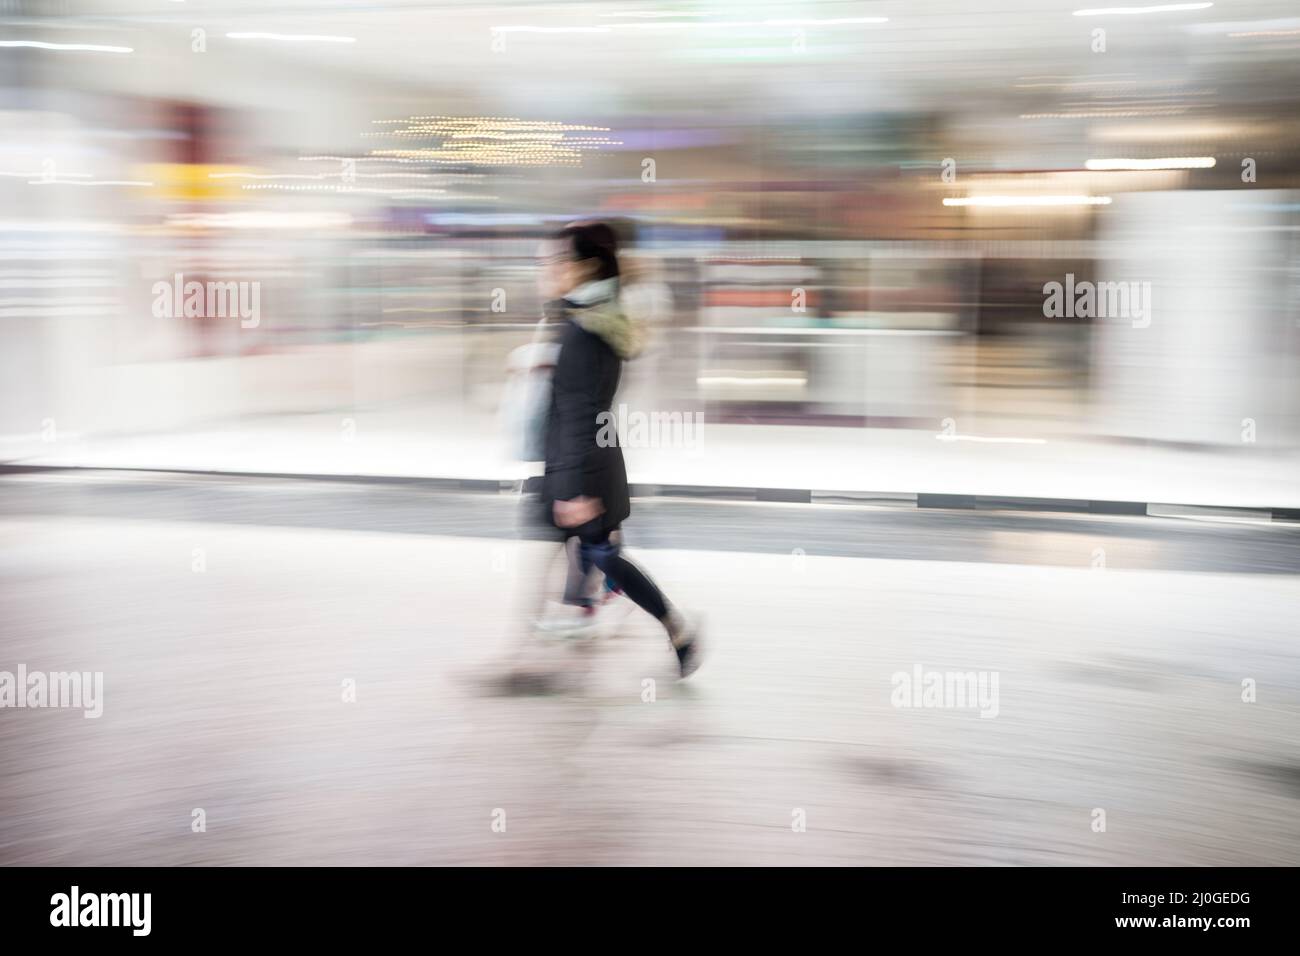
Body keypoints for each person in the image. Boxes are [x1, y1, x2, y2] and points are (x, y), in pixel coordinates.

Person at [536, 221, 702, 677]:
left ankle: (677, 630)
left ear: (586, 266)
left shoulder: (586, 331)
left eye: (559, 259)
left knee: (606, 556)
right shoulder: (590, 320)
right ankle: (580, 612)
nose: (551, 268)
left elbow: (579, 412)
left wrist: (571, 486)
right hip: (590, 459)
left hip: (584, 465)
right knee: (598, 554)